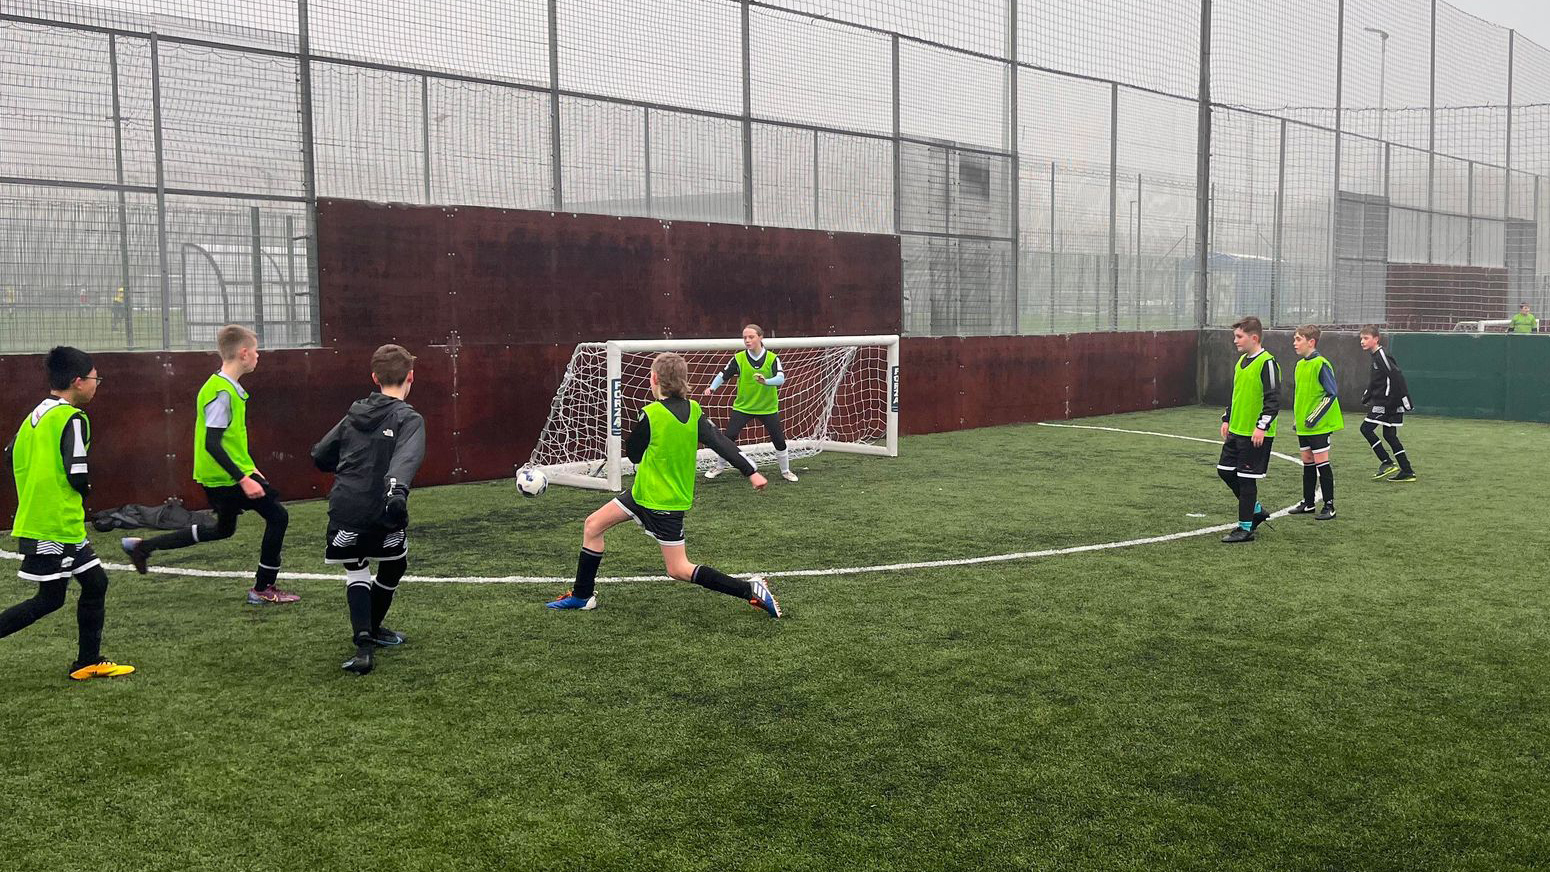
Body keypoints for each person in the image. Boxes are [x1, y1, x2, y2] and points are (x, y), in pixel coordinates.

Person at [548, 352, 782, 618]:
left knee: (679, 569)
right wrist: (750, 471)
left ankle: (750, 590)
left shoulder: (651, 414)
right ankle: (582, 596)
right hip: (641, 494)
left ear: (654, 379)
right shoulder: (694, 411)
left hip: (664, 503)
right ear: (684, 381)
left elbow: (634, 454)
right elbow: (720, 442)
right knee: (593, 525)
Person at [121, 325, 298, 602]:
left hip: (225, 474)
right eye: (255, 351)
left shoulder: (225, 387)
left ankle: (143, 547)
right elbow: (212, 443)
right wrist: (243, 478)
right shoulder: (222, 392)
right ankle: (263, 589)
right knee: (278, 516)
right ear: (243, 353)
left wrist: (250, 468)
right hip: (225, 477)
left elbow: (229, 439)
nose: (258, 356)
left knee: (223, 529)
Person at [1, 347, 134, 680]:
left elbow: (9, 456)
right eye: (94, 379)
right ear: (77, 381)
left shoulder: (36, 416)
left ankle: (88, 662)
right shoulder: (72, 418)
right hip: (53, 525)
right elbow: (77, 472)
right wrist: (86, 491)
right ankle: (86, 661)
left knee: (95, 582)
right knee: (49, 599)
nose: (96, 385)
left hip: (57, 524)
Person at [311, 344, 426, 676]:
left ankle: (364, 645)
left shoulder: (354, 413)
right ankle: (371, 629)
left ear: (375, 377)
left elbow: (320, 455)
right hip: (385, 507)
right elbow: (406, 459)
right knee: (394, 563)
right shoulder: (409, 418)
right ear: (411, 377)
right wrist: (396, 493)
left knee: (357, 569)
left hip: (346, 508)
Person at [702, 324, 798, 482]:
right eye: (745, 337)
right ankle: (719, 467)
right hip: (743, 407)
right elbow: (723, 374)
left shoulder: (772, 358)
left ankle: (786, 471)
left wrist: (765, 381)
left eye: (751, 337)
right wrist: (712, 388)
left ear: (760, 337)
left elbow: (781, 379)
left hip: (767, 408)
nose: (747, 340)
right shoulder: (738, 358)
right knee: (728, 437)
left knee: (779, 440)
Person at [1217, 316, 1280, 544]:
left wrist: (1261, 427)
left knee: (1246, 480)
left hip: (1254, 434)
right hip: (1236, 430)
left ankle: (1245, 529)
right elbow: (1236, 394)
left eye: (1239, 336)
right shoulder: (1241, 361)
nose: (1235, 340)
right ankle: (1256, 510)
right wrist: (1227, 418)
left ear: (1254, 337)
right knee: (1225, 471)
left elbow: (1273, 399)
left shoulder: (1267, 363)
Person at [1287, 325, 1342, 521]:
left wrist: (1313, 417)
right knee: (1307, 461)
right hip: (1304, 425)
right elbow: (1302, 396)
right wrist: (1298, 419)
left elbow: (1331, 393)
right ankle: (1308, 503)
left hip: (1319, 425)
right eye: (1294, 339)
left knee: (1321, 462)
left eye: (1298, 339)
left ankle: (1329, 506)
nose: (1295, 343)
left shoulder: (1321, 364)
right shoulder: (1300, 365)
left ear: (1311, 342)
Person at [1358, 326, 1417, 483]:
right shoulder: (1375, 356)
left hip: (1386, 402)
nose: (1362, 341)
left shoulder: (1381, 354)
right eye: (1361, 338)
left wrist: (1404, 398)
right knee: (1390, 435)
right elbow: (1378, 380)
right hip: (1386, 400)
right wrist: (1368, 394)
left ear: (1376, 339)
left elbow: (1396, 375)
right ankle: (1407, 470)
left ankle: (1387, 462)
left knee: (1366, 429)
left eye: (1366, 338)